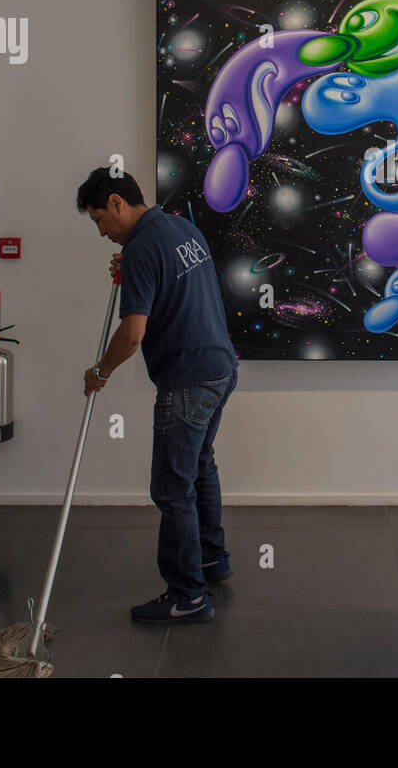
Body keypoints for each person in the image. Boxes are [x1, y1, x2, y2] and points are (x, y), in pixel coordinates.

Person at [74, 167, 238, 624]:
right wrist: (133, 271)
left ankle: (187, 594)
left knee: (171, 487)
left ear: (115, 203)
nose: (103, 232)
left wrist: (100, 372)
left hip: (187, 378)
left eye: (99, 221)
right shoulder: (179, 227)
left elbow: (132, 332)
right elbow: (178, 284)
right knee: (200, 464)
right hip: (221, 367)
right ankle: (211, 559)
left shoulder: (143, 248)